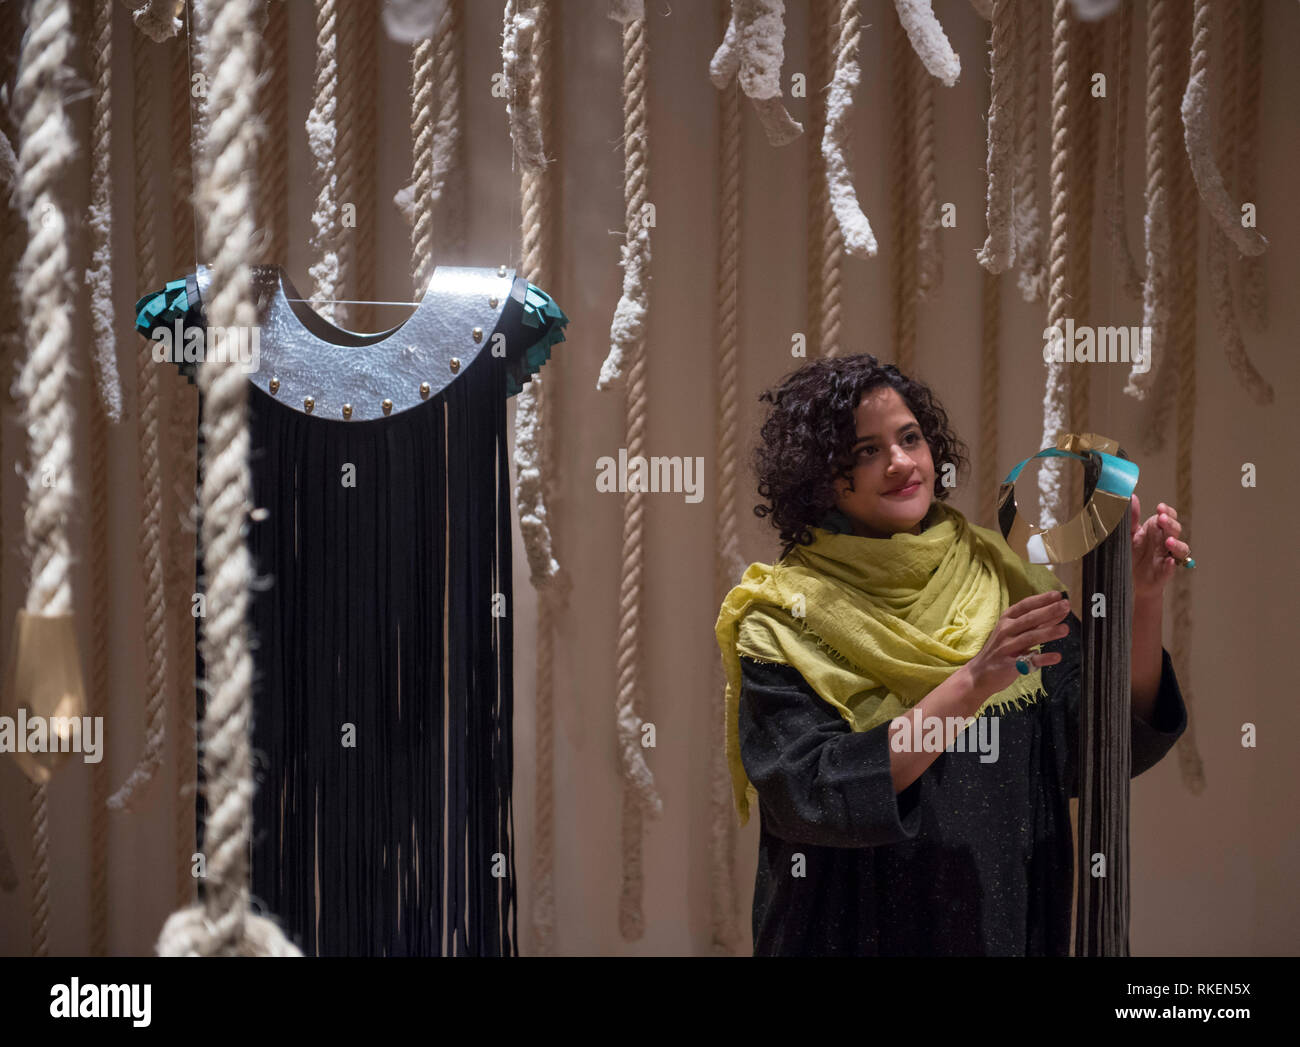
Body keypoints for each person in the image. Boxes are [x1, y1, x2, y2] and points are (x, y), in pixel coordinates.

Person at [714, 355, 1192, 956]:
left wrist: (1141, 602)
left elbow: (1101, 742)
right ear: (818, 478)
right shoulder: (782, 616)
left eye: (910, 437)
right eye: (865, 451)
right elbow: (811, 794)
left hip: (1003, 928)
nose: (900, 463)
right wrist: (969, 684)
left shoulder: (999, 577)